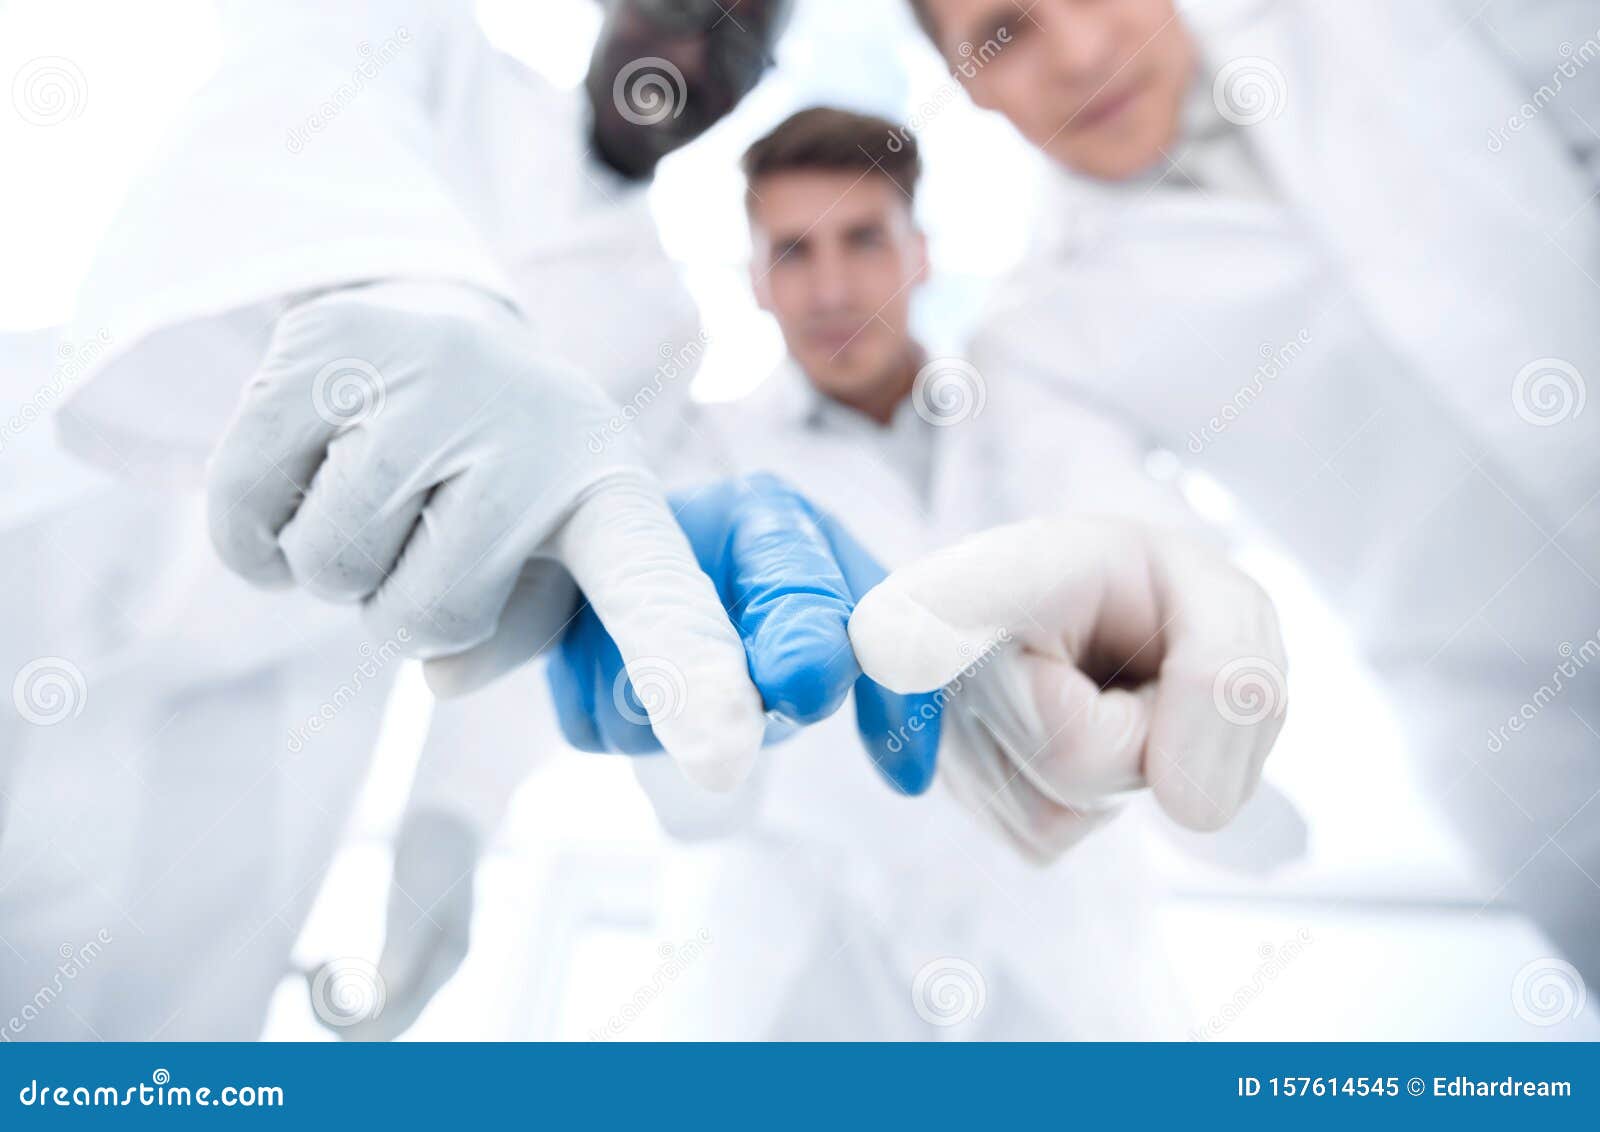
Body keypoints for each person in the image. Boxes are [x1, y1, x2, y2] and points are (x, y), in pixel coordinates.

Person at [2, 0, 852, 1041]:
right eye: (674, 7)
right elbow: (282, 99)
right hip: (64, 542)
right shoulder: (425, 47)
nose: (683, 55)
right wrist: (434, 312)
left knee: (130, 1039)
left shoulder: (664, 326)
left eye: (731, 44)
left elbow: (540, 582)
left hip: (278, 687)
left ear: (755, 87)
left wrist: (444, 835)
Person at [540, 108, 1289, 1037]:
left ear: (920, 254)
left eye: (862, 240)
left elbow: (1147, 552)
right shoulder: (704, 462)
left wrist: (1201, 643)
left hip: (1048, 934)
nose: (830, 288)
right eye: (792, 253)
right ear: (755, 283)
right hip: (796, 952)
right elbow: (699, 785)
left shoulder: (1026, 412)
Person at [906, 0, 1600, 978]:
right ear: (965, 87)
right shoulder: (1039, 339)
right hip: (1546, 744)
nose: (1083, 52)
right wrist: (1162, 708)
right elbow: (1131, 561)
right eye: (1006, 34)